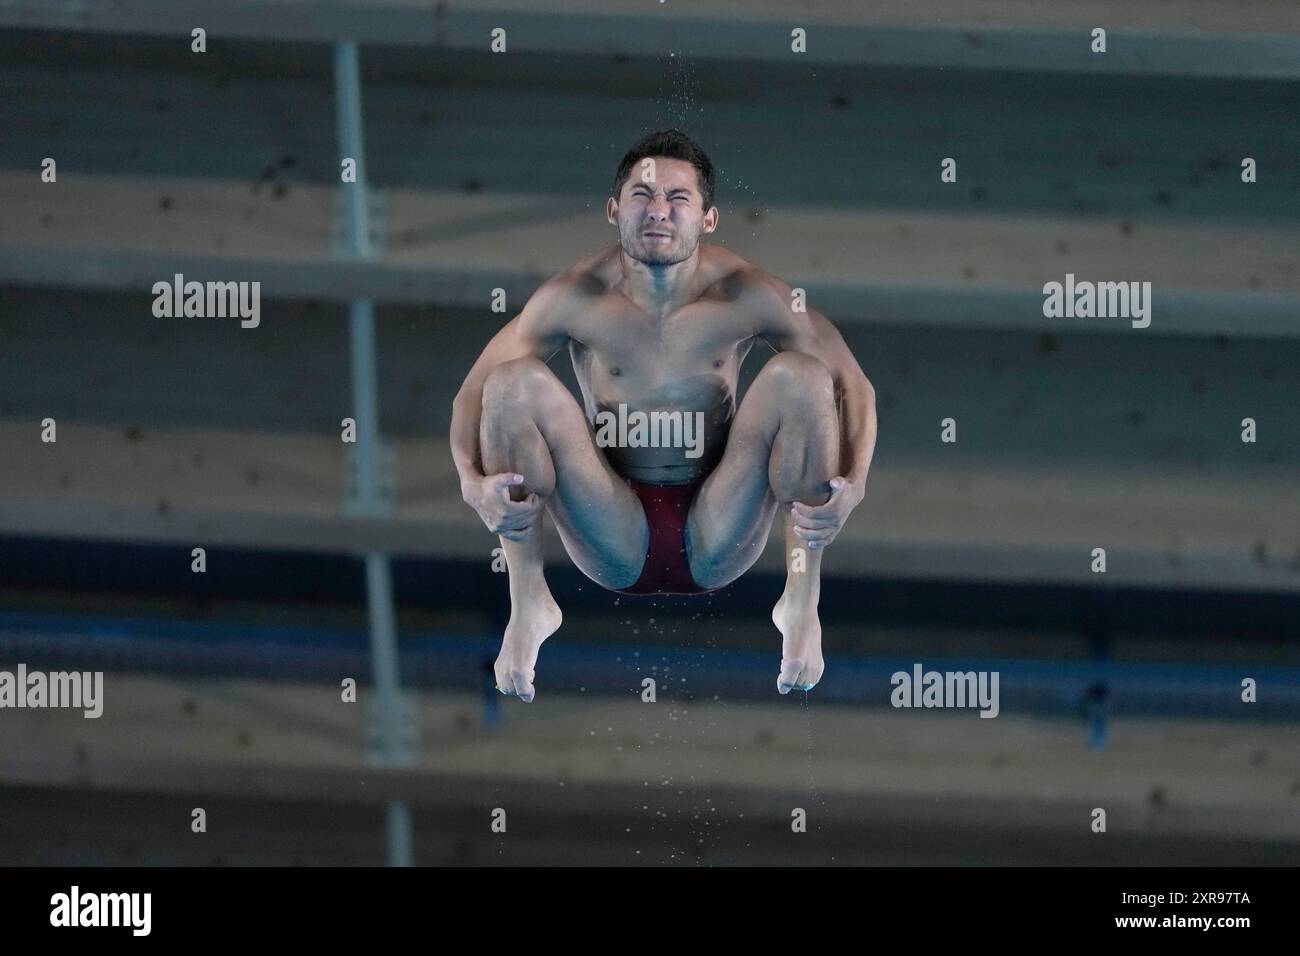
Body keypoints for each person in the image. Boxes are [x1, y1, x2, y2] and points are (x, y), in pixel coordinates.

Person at [450, 129, 877, 702]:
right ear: (613, 209)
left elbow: (853, 384)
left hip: (721, 520)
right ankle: (528, 597)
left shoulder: (747, 293)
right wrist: (470, 483)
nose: (659, 212)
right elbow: (471, 393)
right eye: (641, 196)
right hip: (609, 524)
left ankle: (802, 596)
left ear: (708, 219)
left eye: (678, 199)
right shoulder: (574, 296)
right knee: (508, 385)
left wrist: (856, 485)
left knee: (803, 376)